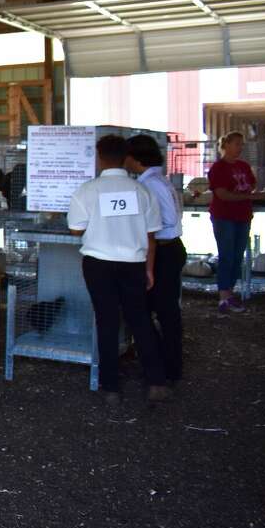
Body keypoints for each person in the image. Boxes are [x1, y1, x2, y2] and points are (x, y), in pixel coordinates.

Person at [68, 134, 167, 404]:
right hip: (133, 263)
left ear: (99, 158)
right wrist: (149, 269)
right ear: (125, 157)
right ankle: (156, 380)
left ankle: (110, 386)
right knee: (140, 319)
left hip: (98, 263)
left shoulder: (87, 190)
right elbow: (151, 236)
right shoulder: (142, 191)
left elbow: (76, 228)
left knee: (106, 321)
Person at [125, 135, 185, 384]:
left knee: (163, 311)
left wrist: (143, 232)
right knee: (158, 309)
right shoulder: (156, 180)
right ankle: (161, 361)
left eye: (127, 155)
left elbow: (168, 220)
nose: (124, 160)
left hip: (163, 251)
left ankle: (168, 366)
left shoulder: (151, 184)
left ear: (136, 158)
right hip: (165, 250)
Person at [208, 131, 265, 313]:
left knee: (236, 256)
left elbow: (251, 183)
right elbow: (222, 194)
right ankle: (223, 296)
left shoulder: (243, 166)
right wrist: (250, 196)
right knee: (227, 255)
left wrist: (248, 194)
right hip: (224, 216)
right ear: (226, 145)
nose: (240, 147)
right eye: (237, 144)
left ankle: (229, 292)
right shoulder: (218, 168)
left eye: (242, 144)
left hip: (242, 216)